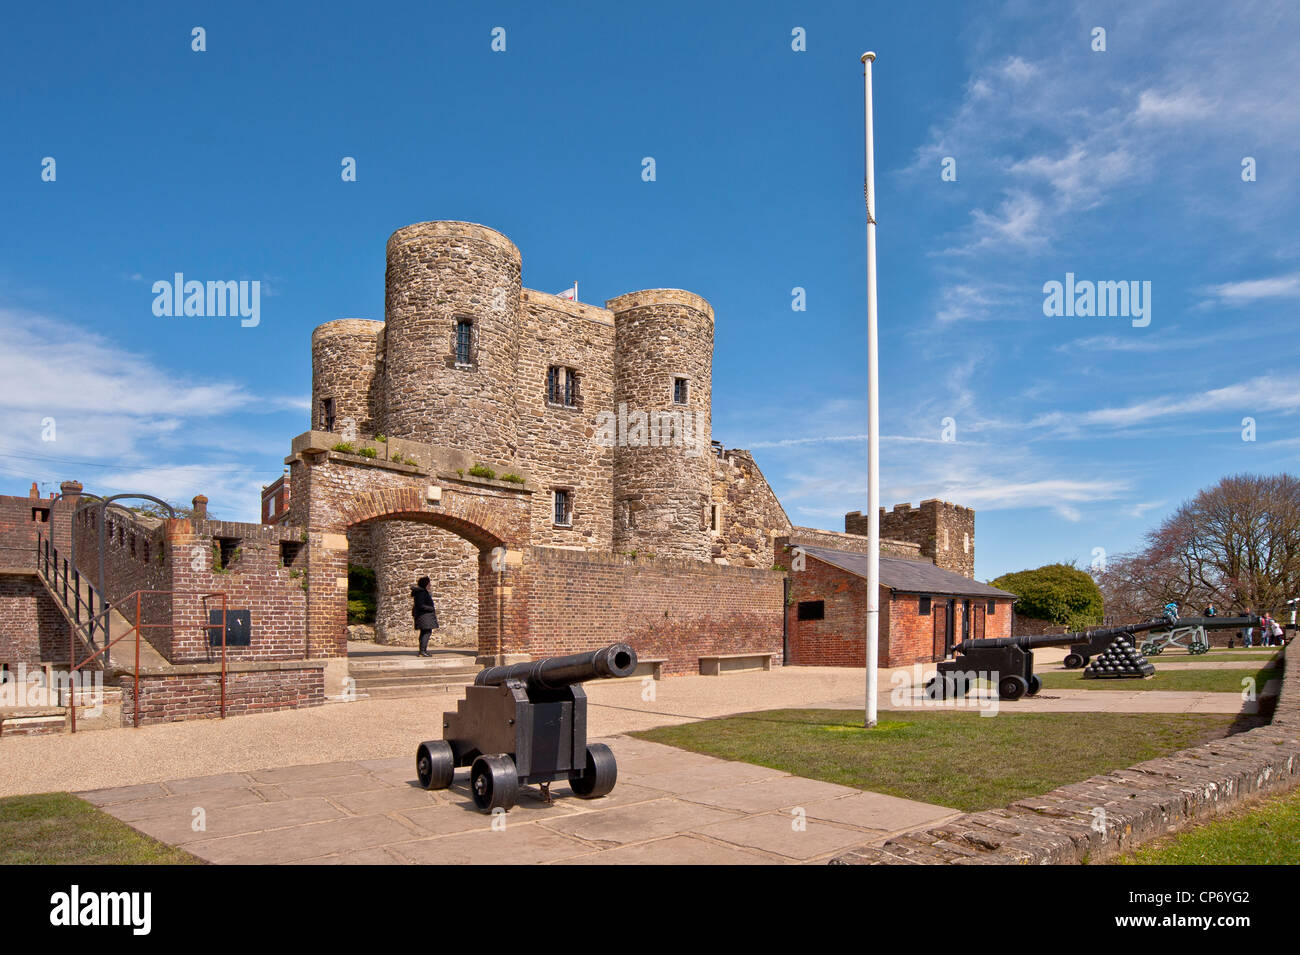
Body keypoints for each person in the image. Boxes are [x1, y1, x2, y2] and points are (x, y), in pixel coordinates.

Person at [411, 576, 439, 657]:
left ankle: (422, 650)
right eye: (429, 583)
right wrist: (430, 608)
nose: (430, 585)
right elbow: (420, 605)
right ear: (426, 584)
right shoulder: (422, 593)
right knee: (426, 632)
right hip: (424, 616)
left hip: (423, 616)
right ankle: (423, 651)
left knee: (424, 633)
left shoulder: (421, 592)